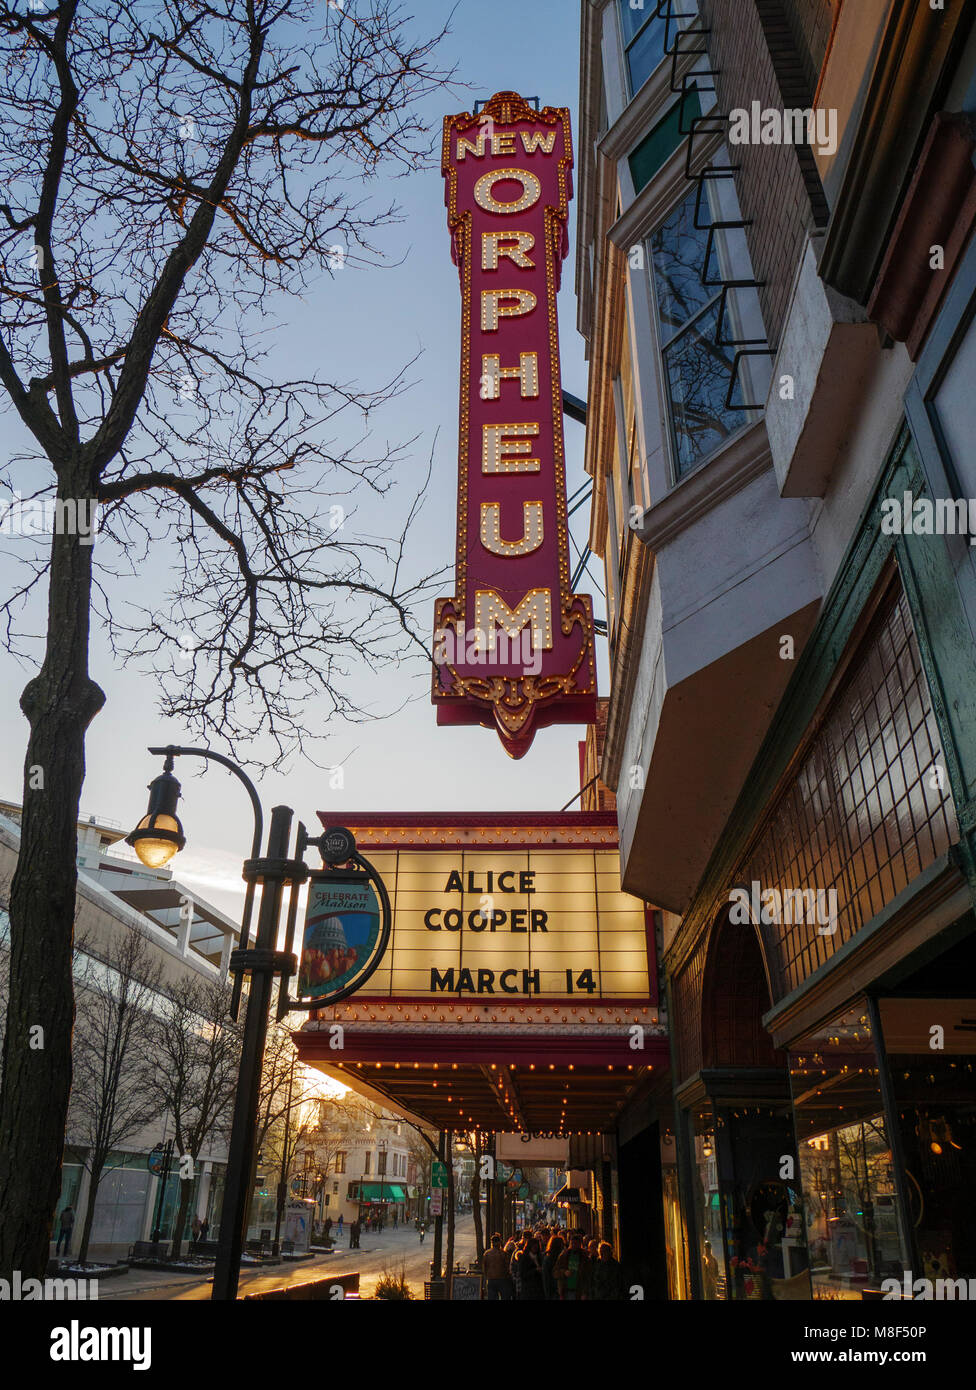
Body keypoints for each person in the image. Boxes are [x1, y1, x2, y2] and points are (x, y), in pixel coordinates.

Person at [554, 1230, 591, 1301]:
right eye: (572, 1243)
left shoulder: (585, 1257)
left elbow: (587, 1276)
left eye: (576, 1244)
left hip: (579, 1291)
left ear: (580, 1244)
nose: (574, 1245)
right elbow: (555, 1272)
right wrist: (564, 1272)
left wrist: (585, 1292)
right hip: (566, 1290)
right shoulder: (564, 1256)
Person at [483, 1232, 513, 1301]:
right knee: (505, 1297)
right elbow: (507, 1266)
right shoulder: (503, 1254)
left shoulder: (487, 1254)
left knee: (492, 1297)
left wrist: (487, 1277)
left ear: (492, 1243)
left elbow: (484, 1267)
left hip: (491, 1279)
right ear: (499, 1242)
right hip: (502, 1279)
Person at [513, 1235, 544, 1300]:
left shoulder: (540, 1257)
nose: (535, 1248)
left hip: (539, 1290)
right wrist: (535, 1270)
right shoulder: (524, 1258)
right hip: (528, 1290)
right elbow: (522, 1274)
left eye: (537, 1247)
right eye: (534, 1247)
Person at [542, 1233, 564, 1300]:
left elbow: (546, 1278)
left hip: (553, 1290)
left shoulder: (547, 1258)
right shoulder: (562, 1258)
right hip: (557, 1290)